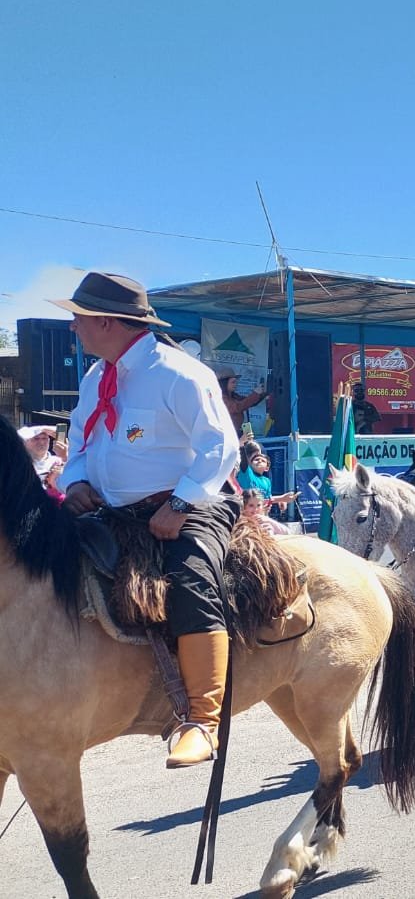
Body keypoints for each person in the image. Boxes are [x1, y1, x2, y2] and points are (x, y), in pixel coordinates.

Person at [54, 272, 240, 769]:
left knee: (189, 578)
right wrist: (75, 483)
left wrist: (179, 506)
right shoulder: (96, 379)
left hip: (190, 505)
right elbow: (82, 443)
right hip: (113, 510)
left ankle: (202, 720)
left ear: (109, 323)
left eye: (80, 318)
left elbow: (220, 447)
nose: (73, 327)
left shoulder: (179, 373)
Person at [213, 367, 267, 436]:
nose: (235, 384)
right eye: (233, 382)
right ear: (224, 383)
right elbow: (237, 407)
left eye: (236, 382)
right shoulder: (220, 397)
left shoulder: (234, 396)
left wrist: (262, 394)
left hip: (236, 432)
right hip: (226, 434)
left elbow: (248, 403)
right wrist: (255, 393)